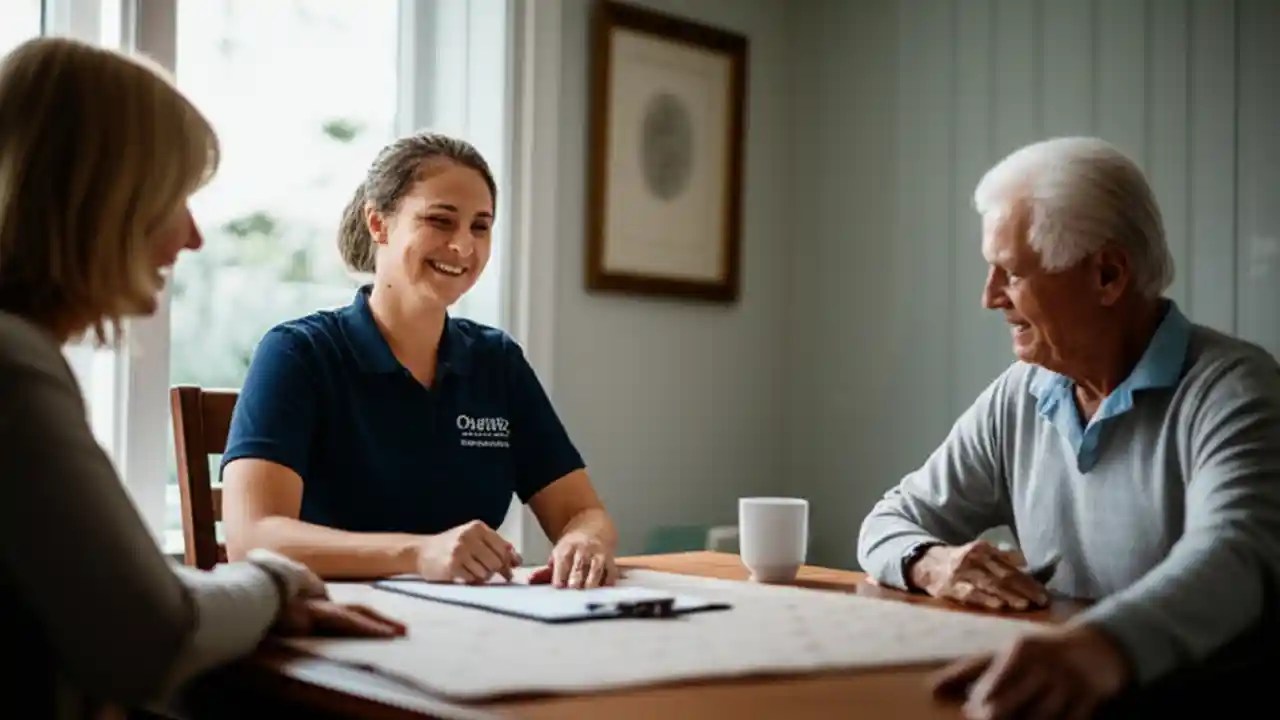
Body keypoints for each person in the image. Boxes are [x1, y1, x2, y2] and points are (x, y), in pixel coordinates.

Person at [0, 37, 406, 719]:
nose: (192, 238)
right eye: (173, 198)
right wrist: (275, 584)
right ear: (99, 200)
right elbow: (150, 636)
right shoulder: (14, 367)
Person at [856, 137, 1280, 718]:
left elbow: (1234, 556)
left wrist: (1096, 649)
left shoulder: (1233, 385)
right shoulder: (1021, 391)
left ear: (1107, 274)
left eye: (1009, 272)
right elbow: (889, 521)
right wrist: (932, 562)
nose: (989, 298)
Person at [220, 131, 619, 589]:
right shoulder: (298, 353)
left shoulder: (497, 361)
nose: (464, 246)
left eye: (480, 226)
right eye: (440, 221)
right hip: (336, 627)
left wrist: (585, 540)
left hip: (474, 626)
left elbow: (582, 512)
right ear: (378, 223)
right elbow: (251, 540)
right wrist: (418, 553)